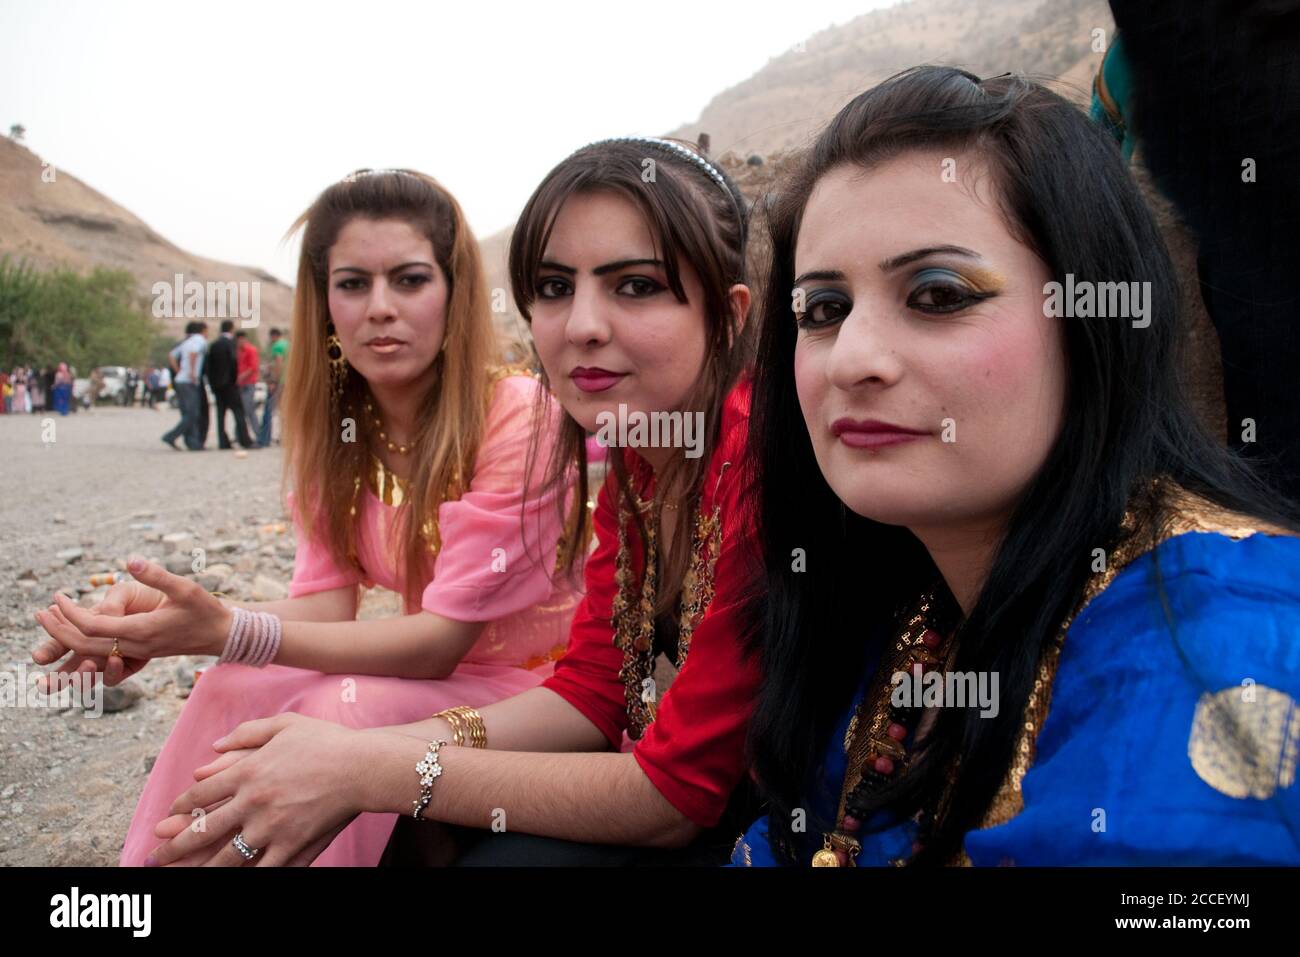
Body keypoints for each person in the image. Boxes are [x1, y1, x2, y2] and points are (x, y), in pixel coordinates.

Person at [49, 140, 766, 867]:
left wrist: (355, 753)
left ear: (454, 292)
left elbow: (451, 649)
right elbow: (331, 608)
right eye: (553, 287)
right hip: (524, 702)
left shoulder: (535, 417)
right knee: (237, 686)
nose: (582, 324)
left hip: (520, 681)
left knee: (342, 712)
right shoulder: (636, 464)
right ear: (322, 302)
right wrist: (183, 624)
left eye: (636, 285)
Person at [730, 66, 1300, 867]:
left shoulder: (1211, 655)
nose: (851, 358)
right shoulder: (911, 606)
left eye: (936, 293)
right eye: (824, 309)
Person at [206, 319, 256, 449]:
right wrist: (235, 380)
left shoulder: (214, 345)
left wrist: (212, 384)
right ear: (231, 329)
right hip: (229, 385)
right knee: (238, 412)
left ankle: (223, 441)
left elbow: (208, 366)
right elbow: (234, 363)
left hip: (217, 386)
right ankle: (245, 440)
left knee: (220, 415)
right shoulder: (231, 344)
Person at [161, 322, 207, 450]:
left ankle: (192, 442)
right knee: (193, 413)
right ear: (202, 330)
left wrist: (179, 371)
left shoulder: (186, 342)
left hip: (181, 380)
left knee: (188, 413)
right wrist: (192, 373)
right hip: (189, 381)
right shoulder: (199, 340)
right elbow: (193, 354)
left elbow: (171, 356)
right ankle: (171, 436)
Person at [256, 327, 289, 447]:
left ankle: (265, 438)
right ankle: (285, 437)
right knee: (285, 410)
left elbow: (278, 363)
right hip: (289, 380)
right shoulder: (288, 344)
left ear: (273, 336)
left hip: (280, 382)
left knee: (269, 410)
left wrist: (274, 381)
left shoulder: (277, 347)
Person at [235, 330, 259, 431]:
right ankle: (239, 434)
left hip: (248, 383)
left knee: (249, 409)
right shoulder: (237, 351)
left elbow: (253, 367)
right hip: (239, 384)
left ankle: (258, 433)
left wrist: (241, 376)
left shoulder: (251, 350)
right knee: (241, 410)